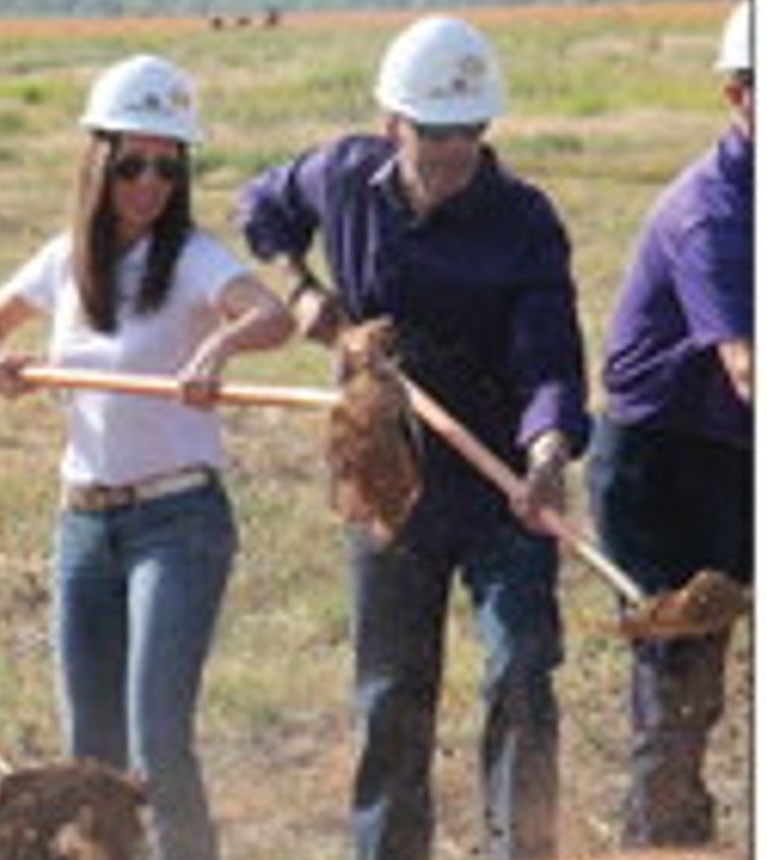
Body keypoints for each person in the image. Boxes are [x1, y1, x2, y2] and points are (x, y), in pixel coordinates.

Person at [234, 16, 590, 860]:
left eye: (471, 131)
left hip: (501, 476)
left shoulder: (524, 221)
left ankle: (521, 846)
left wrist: (546, 449)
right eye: (434, 132)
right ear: (392, 122)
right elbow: (261, 207)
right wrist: (302, 287)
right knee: (392, 690)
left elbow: (549, 361)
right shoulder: (341, 176)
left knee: (521, 666)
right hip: (385, 465)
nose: (454, 151)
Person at [0, 54, 294, 860]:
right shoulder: (64, 261)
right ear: (98, 160)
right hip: (83, 526)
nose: (151, 185)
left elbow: (273, 316)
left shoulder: (194, 259)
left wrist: (219, 347)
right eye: (134, 164)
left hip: (177, 521)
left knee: (157, 741)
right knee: (91, 754)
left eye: (169, 168)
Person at [585, 2, 753, 848]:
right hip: (662, 464)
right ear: (738, 95)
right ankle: (662, 836)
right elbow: (748, 367)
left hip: (735, 452)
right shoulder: (711, 213)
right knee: (681, 674)